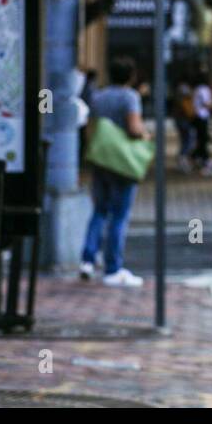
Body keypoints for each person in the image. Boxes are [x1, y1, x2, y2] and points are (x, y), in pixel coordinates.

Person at [80, 55, 148, 287]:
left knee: (99, 210)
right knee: (119, 215)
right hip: (122, 162)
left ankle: (87, 260)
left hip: (101, 159)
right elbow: (133, 127)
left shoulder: (99, 97)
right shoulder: (130, 97)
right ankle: (113, 268)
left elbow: (90, 125)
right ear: (131, 76)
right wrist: (145, 134)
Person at [191, 70, 212, 175]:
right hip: (202, 117)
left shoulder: (196, 89)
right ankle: (205, 163)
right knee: (204, 140)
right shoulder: (204, 89)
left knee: (201, 140)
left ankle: (197, 159)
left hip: (197, 117)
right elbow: (207, 104)